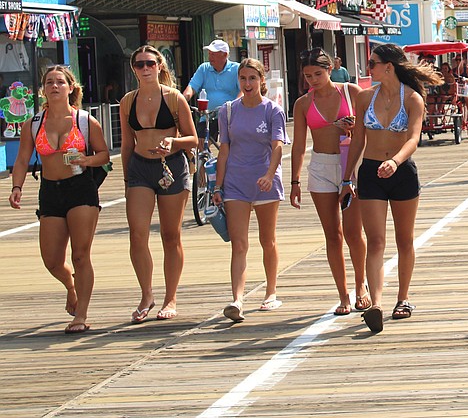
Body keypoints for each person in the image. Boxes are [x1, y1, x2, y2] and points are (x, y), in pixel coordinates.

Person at [343, 43, 441, 334]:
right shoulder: (365, 98)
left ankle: (403, 298)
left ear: (389, 67)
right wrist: (347, 178)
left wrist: (396, 161)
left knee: (404, 240)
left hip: (402, 172)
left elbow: (413, 139)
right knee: (375, 241)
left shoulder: (412, 99)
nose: (368, 68)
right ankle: (376, 304)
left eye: (372, 63)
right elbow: (358, 140)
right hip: (371, 172)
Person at [8, 65, 109, 334]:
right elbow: (22, 159)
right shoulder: (34, 124)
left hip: (81, 188)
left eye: (60, 82)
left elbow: (104, 155)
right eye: (49, 82)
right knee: (51, 259)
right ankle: (71, 285)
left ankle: (81, 315)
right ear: (43, 89)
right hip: (50, 190)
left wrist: (86, 160)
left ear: (70, 88)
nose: (54, 86)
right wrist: (17, 187)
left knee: (80, 254)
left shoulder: (85, 121)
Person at [120, 45, 198, 322]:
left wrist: (173, 141)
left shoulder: (174, 98)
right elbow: (126, 144)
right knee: (137, 234)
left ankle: (170, 298)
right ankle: (146, 295)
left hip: (171, 166)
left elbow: (193, 139)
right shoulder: (128, 101)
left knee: (170, 235)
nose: (145, 69)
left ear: (159, 66)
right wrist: (127, 179)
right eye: (139, 64)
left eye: (150, 63)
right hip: (140, 168)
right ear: (134, 69)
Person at [290, 47, 369, 317]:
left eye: (318, 74)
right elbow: (298, 145)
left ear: (330, 70)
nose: (313, 80)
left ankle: (361, 286)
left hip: (350, 164)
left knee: (353, 232)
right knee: (332, 235)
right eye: (308, 76)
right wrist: (295, 181)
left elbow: (371, 127)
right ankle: (343, 295)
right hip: (321, 166)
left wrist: (354, 126)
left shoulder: (351, 92)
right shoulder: (303, 103)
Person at [214, 59, 289, 323]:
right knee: (239, 243)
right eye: (243, 78)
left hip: (265, 182)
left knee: (267, 240)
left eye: (252, 78)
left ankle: (271, 292)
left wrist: (269, 175)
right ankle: (237, 299)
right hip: (236, 182)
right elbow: (224, 150)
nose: (247, 84)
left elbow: (277, 146)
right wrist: (218, 185)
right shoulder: (228, 111)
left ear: (261, 80)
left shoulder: (273, 110)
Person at [183, 39, 240, 139]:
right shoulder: (204, 68)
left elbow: (243, 91)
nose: (210, 57)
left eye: (213, 54)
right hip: (207, 116)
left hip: (230, 117)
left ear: (225, 55)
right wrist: (182, 101)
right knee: (200, 142)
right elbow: (191, 87)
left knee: (231, 143)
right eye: (209, 54)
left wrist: (234, 105)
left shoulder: (237, 69)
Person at [451, 54, 468, 136]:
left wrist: (465, 79)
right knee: (453, 103)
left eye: (460, 59)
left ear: (463, 60)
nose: (458, 61)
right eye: (457, 60)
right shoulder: (453, 71)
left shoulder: (467, 69)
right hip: (457, 91)